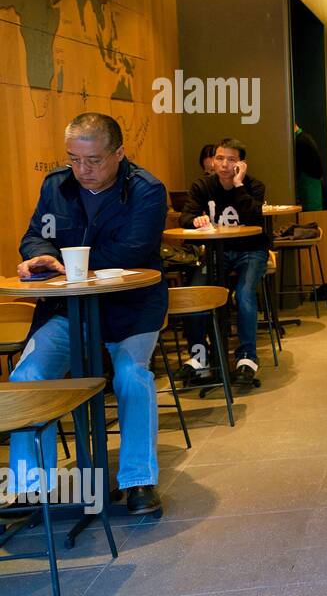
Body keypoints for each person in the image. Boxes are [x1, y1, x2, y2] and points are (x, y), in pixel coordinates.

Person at [10, 112, 168, 515]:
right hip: (66, 308)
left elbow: (133, 251)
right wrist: (40, 257)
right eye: (74, 160)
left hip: (129, 308)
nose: (82, 170)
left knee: (133, 376)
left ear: (118, 153)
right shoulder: (55, 187)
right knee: (25, 377)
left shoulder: (146, 190)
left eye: (93, 160)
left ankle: (138, 481)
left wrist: (67, 266)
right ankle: (29, 488)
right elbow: (33, 235)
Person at [177, 138, 269, 386]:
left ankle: (247, 357)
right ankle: (199, 356)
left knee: (244, 294)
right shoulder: (202, 186)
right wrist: (193, 221)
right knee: (195, 294)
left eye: (231, 159)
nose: (224, 164)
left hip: (251, 250)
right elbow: (185, 215)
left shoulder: (253, 186)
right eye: (220, 158)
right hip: (216, 252)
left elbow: (255, 218)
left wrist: (238, 185)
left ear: (241, 164)